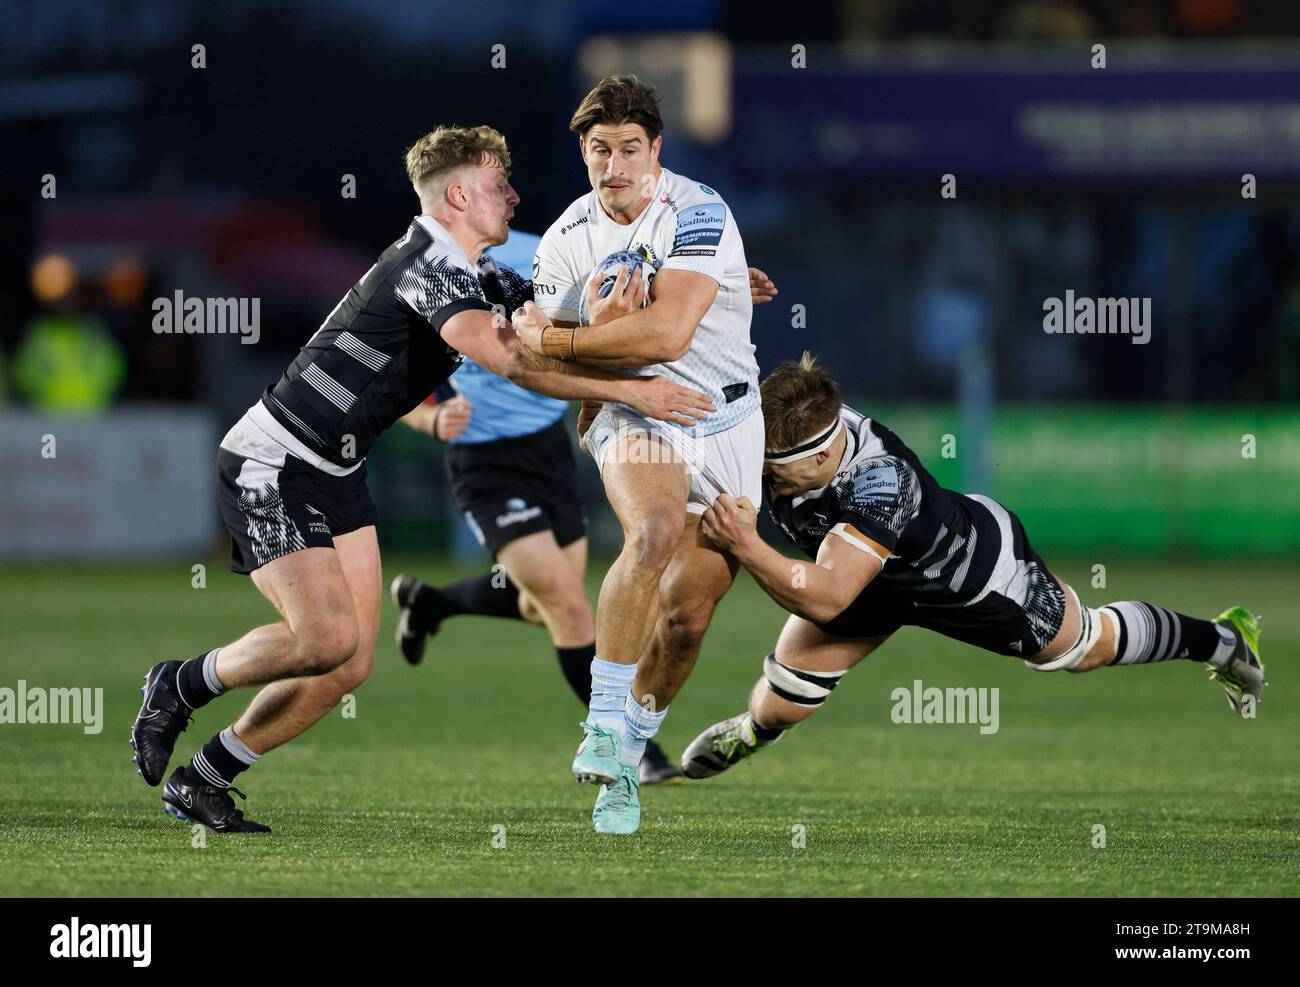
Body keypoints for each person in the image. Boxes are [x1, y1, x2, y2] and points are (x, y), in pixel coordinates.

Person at [129, 124, 714, 832]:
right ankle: (180, 681)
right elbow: (514, 361)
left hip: (335, 469)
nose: (515, 195)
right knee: (324, 639)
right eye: (501, 184)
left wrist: (710, 286)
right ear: (461, 193)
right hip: (271, 462)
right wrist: (636, 393)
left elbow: (558, 319)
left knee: (347, 666)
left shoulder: (479, 274)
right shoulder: (425, 262)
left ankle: (204, 779)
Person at [679, 353, 1267, 778]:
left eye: (776, 467)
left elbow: (828, 596)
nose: (763, 473)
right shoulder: (779, 429)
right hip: (868, 581)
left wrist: (748, 545)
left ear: (827, 453)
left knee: (1088, 648)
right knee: (782, 699)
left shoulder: (883, 483)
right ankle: (749, 732)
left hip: (973, 576)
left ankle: (1224, 640)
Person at [393, 231, 778, 786]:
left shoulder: (537, 252)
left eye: (505, 182)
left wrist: (721, 281)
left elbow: (637, 275)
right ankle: (625, 746)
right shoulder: (427, 273)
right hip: (483, 463)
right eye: (495, 184)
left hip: (545, 448)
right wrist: (429, 420)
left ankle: (431, 603)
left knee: (540, 603)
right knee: (569, 607)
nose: (507, 197)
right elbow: (396, 378)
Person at [511, 75, 768, 833]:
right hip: (629, 412)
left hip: (728, 420)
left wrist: (559, 335)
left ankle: (626, 755)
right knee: (651, 532)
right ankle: (600, 724)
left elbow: (664, 337)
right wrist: (598, 372)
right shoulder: (564, 243)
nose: (615, 165)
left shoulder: (697, 210)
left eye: (630, 149)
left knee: (687, 618)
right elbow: (532, 370)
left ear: (656, 150)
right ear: (583, 154)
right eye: (599, 150)